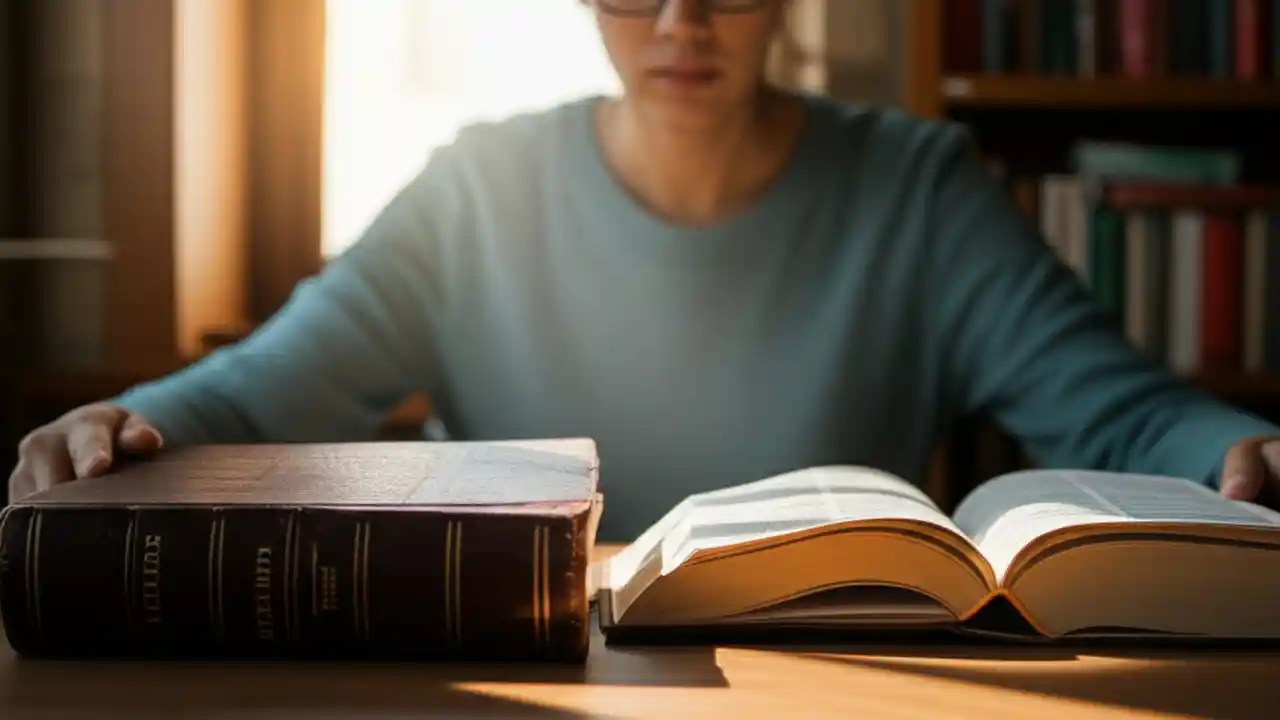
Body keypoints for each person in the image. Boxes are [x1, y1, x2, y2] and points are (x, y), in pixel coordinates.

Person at [9, 0, 1280, 540]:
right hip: (532, 685)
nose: (678, 21)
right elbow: (263, 392)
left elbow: (1121, 413)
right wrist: (129, 429)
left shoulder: (918, 190)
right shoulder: (478, 189)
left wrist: (1238, 448)